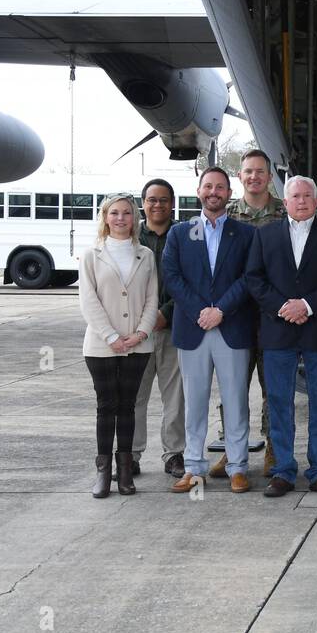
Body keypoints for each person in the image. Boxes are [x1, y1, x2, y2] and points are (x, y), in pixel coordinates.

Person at [245, 175, 317, 497]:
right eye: (295, 196)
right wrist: (283, 307)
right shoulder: (265, 236)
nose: (301, 201)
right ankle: (283, 471)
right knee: (279, 403)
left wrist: (306, 305)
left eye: (307, 196)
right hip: (279, 332)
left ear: (316, 201)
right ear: (285, 201)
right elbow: (254, 278)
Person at [163, 167, 259, 495]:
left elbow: (249, 277)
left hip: (231, 327)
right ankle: (193, 468)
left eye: (220, 187)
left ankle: (237, 467)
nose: (213, 192)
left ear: (229, 193)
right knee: (195, 402)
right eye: (208, 186)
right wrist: (200, 311)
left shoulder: (246, 234)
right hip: (193, 329)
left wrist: (221, 310)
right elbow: (172, 277)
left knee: (236, 401)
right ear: (199, 191)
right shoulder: (179, 233)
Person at [208, 149, 286, 479]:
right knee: (233, 387)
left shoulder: (285, 214)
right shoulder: (226, 216)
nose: (254, 176)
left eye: (260, 171)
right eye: (247, 171)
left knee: (275, 389)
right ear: (239, 177)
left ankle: (274, 449)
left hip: (272, 316)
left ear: (270, 177)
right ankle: (232, 448)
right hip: (235, 316)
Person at [79, 194, 158, 498]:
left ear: (134, 218)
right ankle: (103, 472)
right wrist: (111, 337)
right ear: (105, 217)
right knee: (106, 406)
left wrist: (140, 333)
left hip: (138, 345)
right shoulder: (92, 255)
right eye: (115, 213)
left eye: (127, 213)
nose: (121, 218)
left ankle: (125, 470)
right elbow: (88, 300)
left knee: (128, 407)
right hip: (101, 346)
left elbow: (152, 298)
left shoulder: (146, 255)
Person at [133, 178, 186, 479]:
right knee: (134, 397)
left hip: (172, 328)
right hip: (136, 332)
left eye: (163, 199)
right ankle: (130, 454)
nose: (157, 205)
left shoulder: (184, 236)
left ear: (172, 203)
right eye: (152, 199)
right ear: (143, 204)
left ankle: (174, 454)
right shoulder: (130, 236)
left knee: (175, 396)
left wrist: (166, 313)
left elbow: (193, 280)